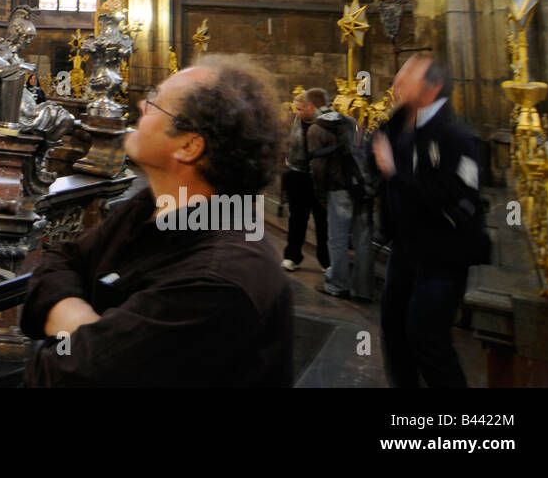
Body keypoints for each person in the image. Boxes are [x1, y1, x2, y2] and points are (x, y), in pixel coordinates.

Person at [21, 55, 294, 387]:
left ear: (189, 145)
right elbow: (60, 259)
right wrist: (87, 332)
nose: (140, 104)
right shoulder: (152, 207)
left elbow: (66, 374)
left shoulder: (219, 280)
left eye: (154, 103)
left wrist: (71, 330)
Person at [373, 55, 485, 388]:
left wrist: (394, 173)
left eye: (405, 79)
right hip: (405, 250)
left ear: (432, 88)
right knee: (394, 331)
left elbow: (455, 198)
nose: (395, 85)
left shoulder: (457, 136)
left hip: (442, 254)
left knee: (427, 338)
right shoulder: (401, 125)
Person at [309, 107, 377, 300]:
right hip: (362, 187)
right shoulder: (351, 123)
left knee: (337, 238)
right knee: (363, 240)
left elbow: (318, 166)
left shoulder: (316, 129)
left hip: (338, 188)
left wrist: (320, 193)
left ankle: (338, 285)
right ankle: (363, 290)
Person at [281, 87, 330, 272]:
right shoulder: (291, 122)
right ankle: (292, 256)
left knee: (322, 221)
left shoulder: (324, 123)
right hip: (297, 174)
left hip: (319, 177)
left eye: (300, 109)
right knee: (297, 219)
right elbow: (285, 144)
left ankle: (326, 261)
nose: (297, 112)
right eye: (296, 108)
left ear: (311, 107)